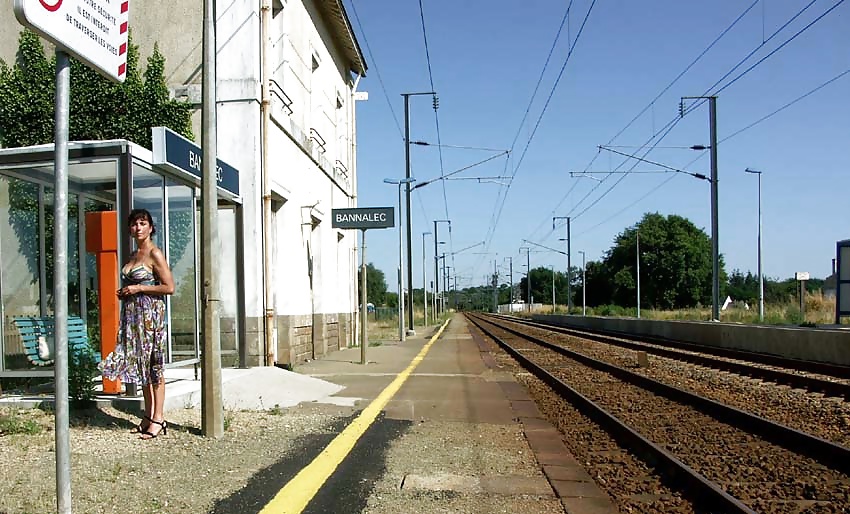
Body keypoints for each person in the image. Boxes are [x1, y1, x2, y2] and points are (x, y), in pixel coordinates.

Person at [100, 208, 174, 439]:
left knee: (154, 366)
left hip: (150, 316)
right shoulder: (133, 254)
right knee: (141, 367)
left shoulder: (155, 253)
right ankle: (148, 416)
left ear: (150, 227)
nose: (138, 227)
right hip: (133, 317)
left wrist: (139, 288)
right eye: (134, 224)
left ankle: (158, 418)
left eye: (142, 223)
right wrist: (126, 292)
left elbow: (169, 287)